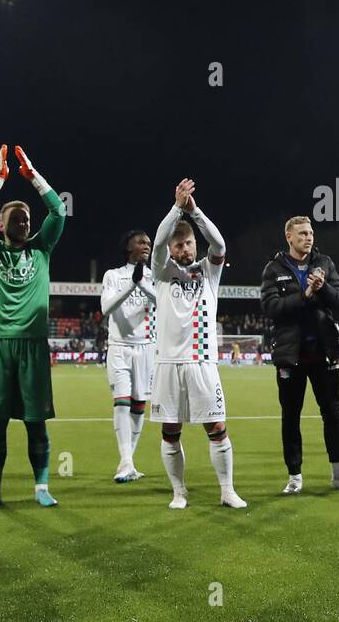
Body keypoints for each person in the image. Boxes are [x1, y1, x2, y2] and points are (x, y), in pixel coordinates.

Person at [0, 145, 65, 508]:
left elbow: (59, 209)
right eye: (17, 217)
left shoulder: (42, 249)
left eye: (27, 218)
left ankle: (42, 487)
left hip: (33, 344)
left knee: (35, 421)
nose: (24, 222)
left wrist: (34, 177)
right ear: (1, 224)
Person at [149, 178, 245, 509]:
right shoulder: (161, 273)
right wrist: (176, 209)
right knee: (170, 432)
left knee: (217, 427)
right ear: (171, 251)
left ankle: (227, 490)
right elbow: (159, 241)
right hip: (169, 365)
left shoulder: (208, 271)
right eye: (179, 246)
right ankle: (179, 491)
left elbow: (219, 245)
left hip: (204, 364)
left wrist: (195, 212)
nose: (185, 249)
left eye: (189, 243)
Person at [260, 215, 339, 495]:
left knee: (333, 415)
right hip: (290, 356)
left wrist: (322, 287)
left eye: (311, 232)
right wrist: (304, 295)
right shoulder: (274, 268)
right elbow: (270, 308)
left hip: (323, 353)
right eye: (302, 233)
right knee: (290, 416)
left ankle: (338, 475)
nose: (308, 237)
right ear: (289, 237)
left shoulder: (325, 263)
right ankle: (295, 477)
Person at [100, 229, 156, 483]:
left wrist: (142, 284)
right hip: (119, 347)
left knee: (139, 406)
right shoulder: (113, 275)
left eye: (148, 242)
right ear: (128, 247)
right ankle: (126, 463)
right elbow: (106, 308)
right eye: (141, 242)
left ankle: (127, 463)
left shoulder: (155, 277)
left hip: (147, 348)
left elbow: (164, 303)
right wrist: (132, 284)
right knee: (121, 402)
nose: (147, 245)